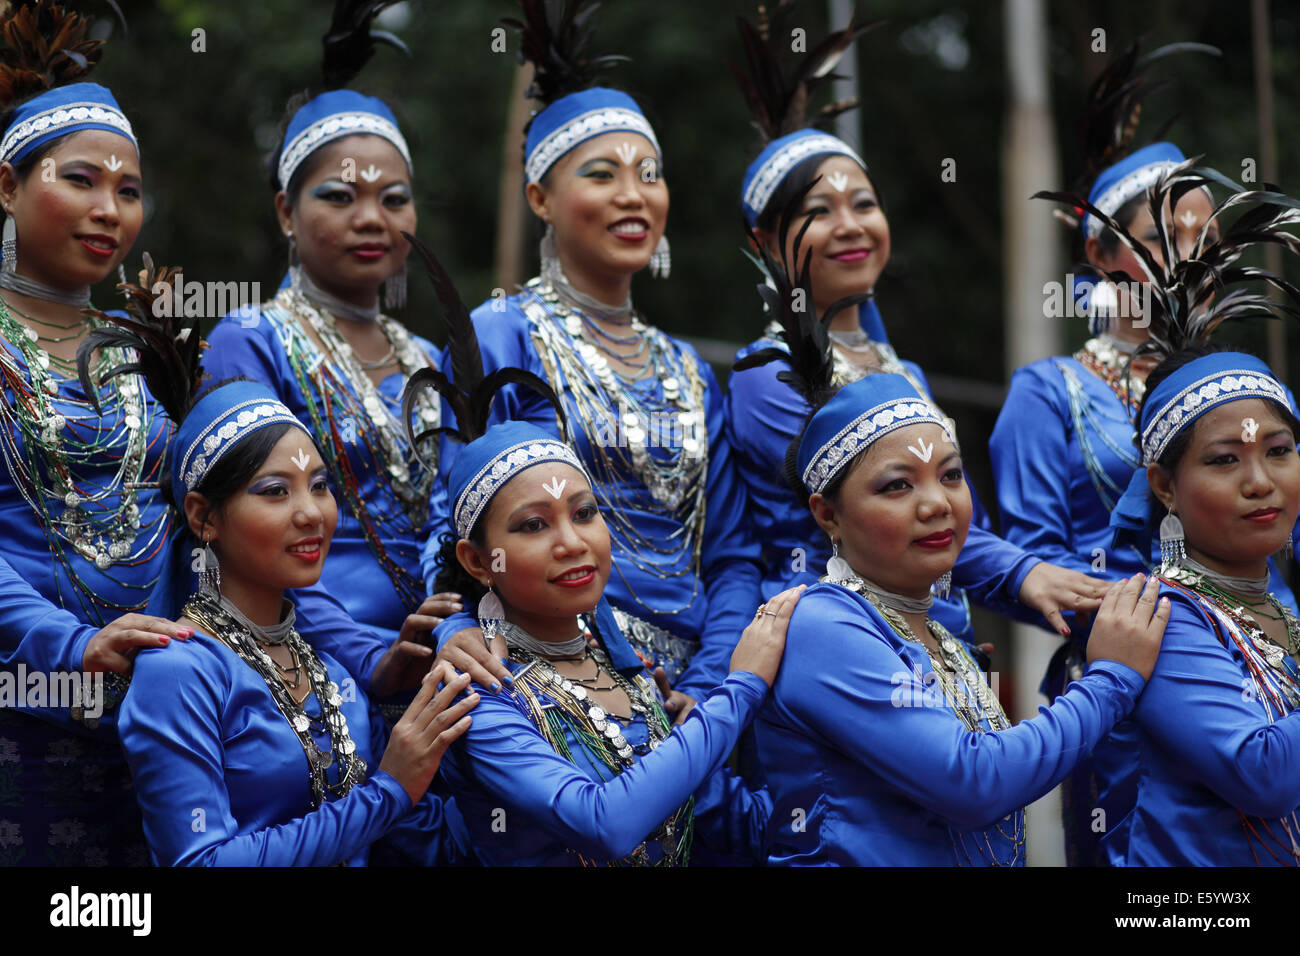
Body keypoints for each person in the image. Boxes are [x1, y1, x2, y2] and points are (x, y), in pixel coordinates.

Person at [990, 42, 1297, 864]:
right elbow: (1032, 563)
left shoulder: (1236, 394)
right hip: (1123, 662)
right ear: (1099, 256)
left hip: (1258, 645)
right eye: (1170, 235)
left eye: (1208, 234)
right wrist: (1143, 596)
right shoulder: (1048, 390)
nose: (1195, 254)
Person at [724, 8, 1108, 648]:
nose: (851, 225)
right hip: (834, 649)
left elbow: (959, 530)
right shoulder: (767, 376)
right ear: (766, 240)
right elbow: (889, 522)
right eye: (820, 210)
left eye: (865, 204)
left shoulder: (907, 374)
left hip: (930, 643)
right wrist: (1021, 572)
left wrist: (1036, 589)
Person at [429, 1, 763, 715]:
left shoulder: (689, 370)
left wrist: (707, 684)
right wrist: (606, 666)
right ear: (540, 197)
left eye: (650, 173)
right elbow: (453, 523)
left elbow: (732, 554)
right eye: (603, 174)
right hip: (553, 682)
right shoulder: (499, 337)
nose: (633, 194)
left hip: (697, 694)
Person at [98, 279, 477, 865]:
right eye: (275, 491)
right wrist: (388, 791)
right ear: (204, 516)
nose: (312, 513)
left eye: (322, 487)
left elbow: (427, 837)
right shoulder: (180, 672)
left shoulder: (328, 670)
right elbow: (201, 861)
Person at [749, 364, 1166, 865]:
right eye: (898, 486)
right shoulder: (822, 627)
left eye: (950, 475)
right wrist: (1111, 681)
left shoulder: (941, 637)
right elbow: (973, 782)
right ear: (828, 515)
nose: (936, 504)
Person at [203, 2, 460, 700]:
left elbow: (458, 510)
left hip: (447, 653)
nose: (372, 217)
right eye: (340, 195)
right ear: (287, 211)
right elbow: (244, 541)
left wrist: (453, 626)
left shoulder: (429, 358)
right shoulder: (249, 341)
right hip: (306, 663)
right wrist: (373, 656)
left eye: (395, 197)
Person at [0, 3, 192, 866]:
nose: (109, 208)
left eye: (128, 189)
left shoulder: (145, 348)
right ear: (7, 186)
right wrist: (71, 646)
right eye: (79, 179)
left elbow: (194, 518)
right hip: (20, 719)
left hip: (153, 717)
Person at [1089, 168, 1300, 866]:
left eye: (1279, 452)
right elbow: (1263, 775)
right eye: (1223, 461)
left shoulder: (1279, 599)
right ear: (1164, 487)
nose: (1259, 483)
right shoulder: (1160, 618)